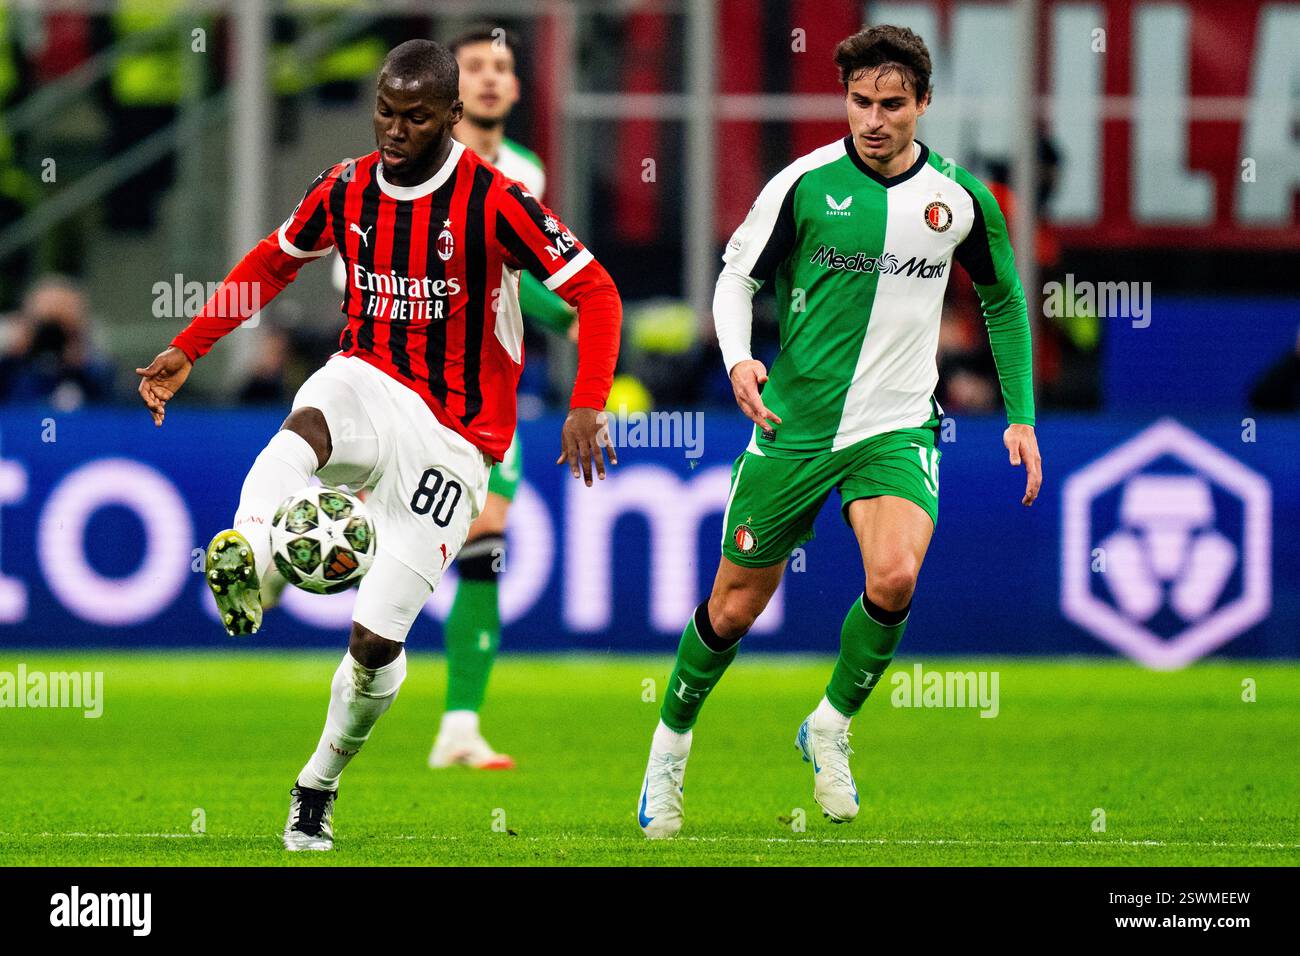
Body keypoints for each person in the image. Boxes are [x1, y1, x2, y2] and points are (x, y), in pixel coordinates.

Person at [135, 39, 622, 851]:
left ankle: (317, 782)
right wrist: (192, 345)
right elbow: (271, 262)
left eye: (416, 116)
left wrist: (586, 403)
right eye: (385, 112)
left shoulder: (494, 199)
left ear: (451, 116)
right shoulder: (347, 186)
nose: (395, 130)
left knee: (375, 643)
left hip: (457, 438)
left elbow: (595, 290)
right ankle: (254, 557)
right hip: (367, 378)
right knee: (302, 428)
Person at [635, 25, 1042, 839]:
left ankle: (829, 725)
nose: (875, 118)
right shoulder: (804, 185)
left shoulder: (961, 202)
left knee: (894, 577)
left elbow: (1000, 301)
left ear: (924, 104)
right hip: (795, 426)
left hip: (895, 426)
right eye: (861, 101)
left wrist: (1021, 414)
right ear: (845, 101)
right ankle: (669, 749)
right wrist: (742, 358)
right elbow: (736, 277)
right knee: (732, 608)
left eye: (893, 103)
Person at [422, 25, 578, 771]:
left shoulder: (523, 170)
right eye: (474, 68)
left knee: (483, 544)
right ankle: (264, 556)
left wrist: (566, 304)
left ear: (516, 88)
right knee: (384, 540)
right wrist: (573, 309)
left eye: (501, 68)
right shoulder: (412, 166)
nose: (489, 79)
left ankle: (459, 724)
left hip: (489, 387)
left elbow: (514, 277)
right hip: (405, 376)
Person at [0, 277, 115, 409]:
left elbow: (111, 405)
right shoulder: (13, 368)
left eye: (61, 326)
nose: (52, 337)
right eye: (45, 326)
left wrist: (82, 362)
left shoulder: (93, 368)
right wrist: (12, 355)